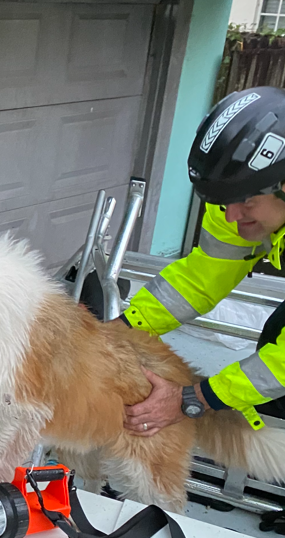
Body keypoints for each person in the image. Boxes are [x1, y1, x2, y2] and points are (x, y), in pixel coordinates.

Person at [119, 86, 285, 438]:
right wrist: (124, 329)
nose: (231, 217)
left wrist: (193, 399)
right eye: (224, 203)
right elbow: (201, 278)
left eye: (246, 202)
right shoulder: (237, 201)